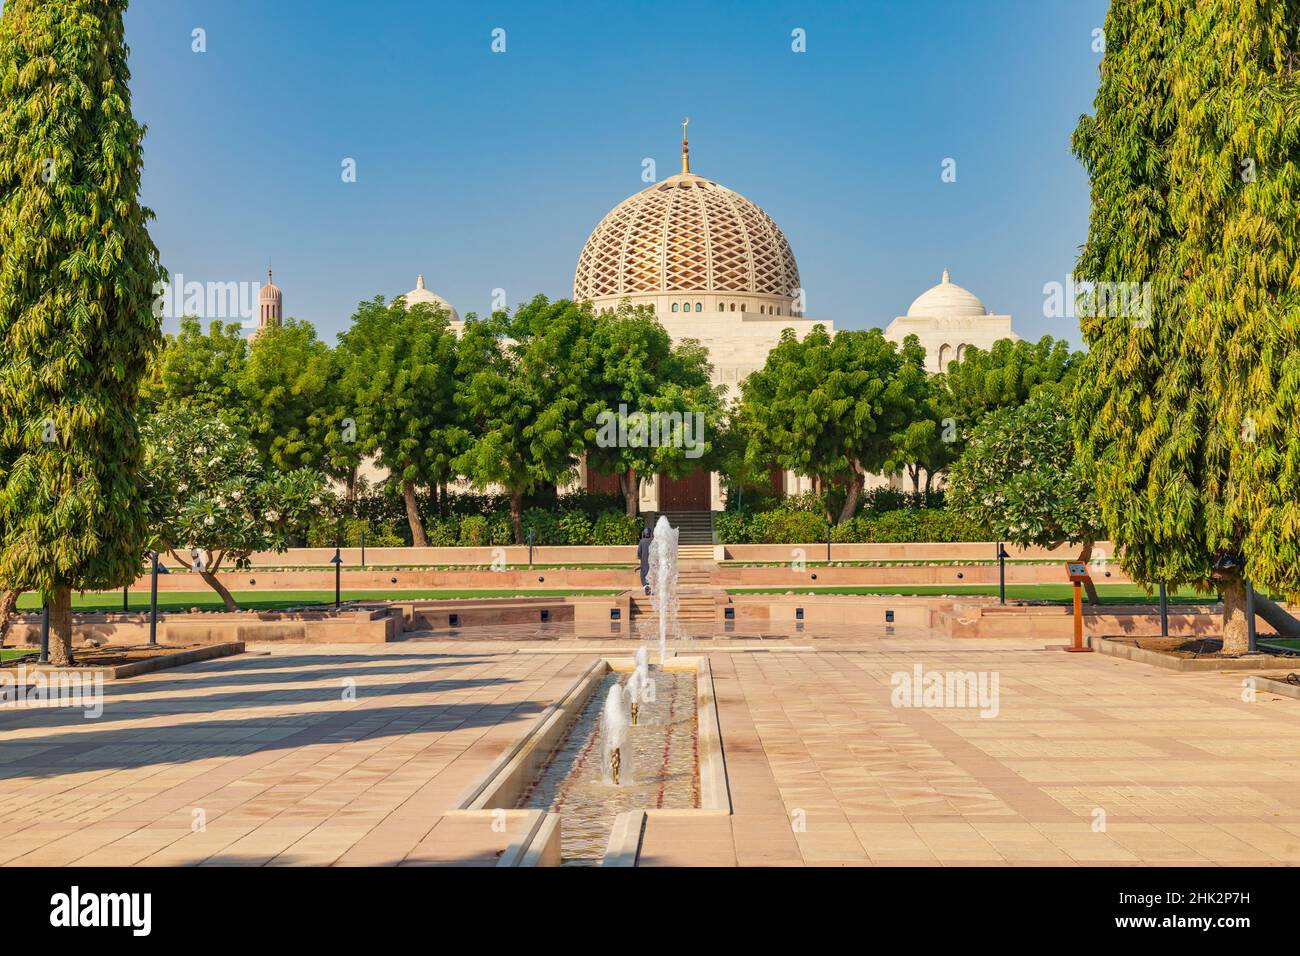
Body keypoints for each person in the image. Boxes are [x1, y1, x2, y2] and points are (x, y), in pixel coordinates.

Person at [637, 526, 653, 595]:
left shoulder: (641, 541)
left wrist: (641, 558)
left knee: (643, 575)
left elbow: (639, 552)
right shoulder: (653, 540)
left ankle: (646, 587)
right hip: (652, 561)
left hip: (644, 562)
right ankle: (651, 587)